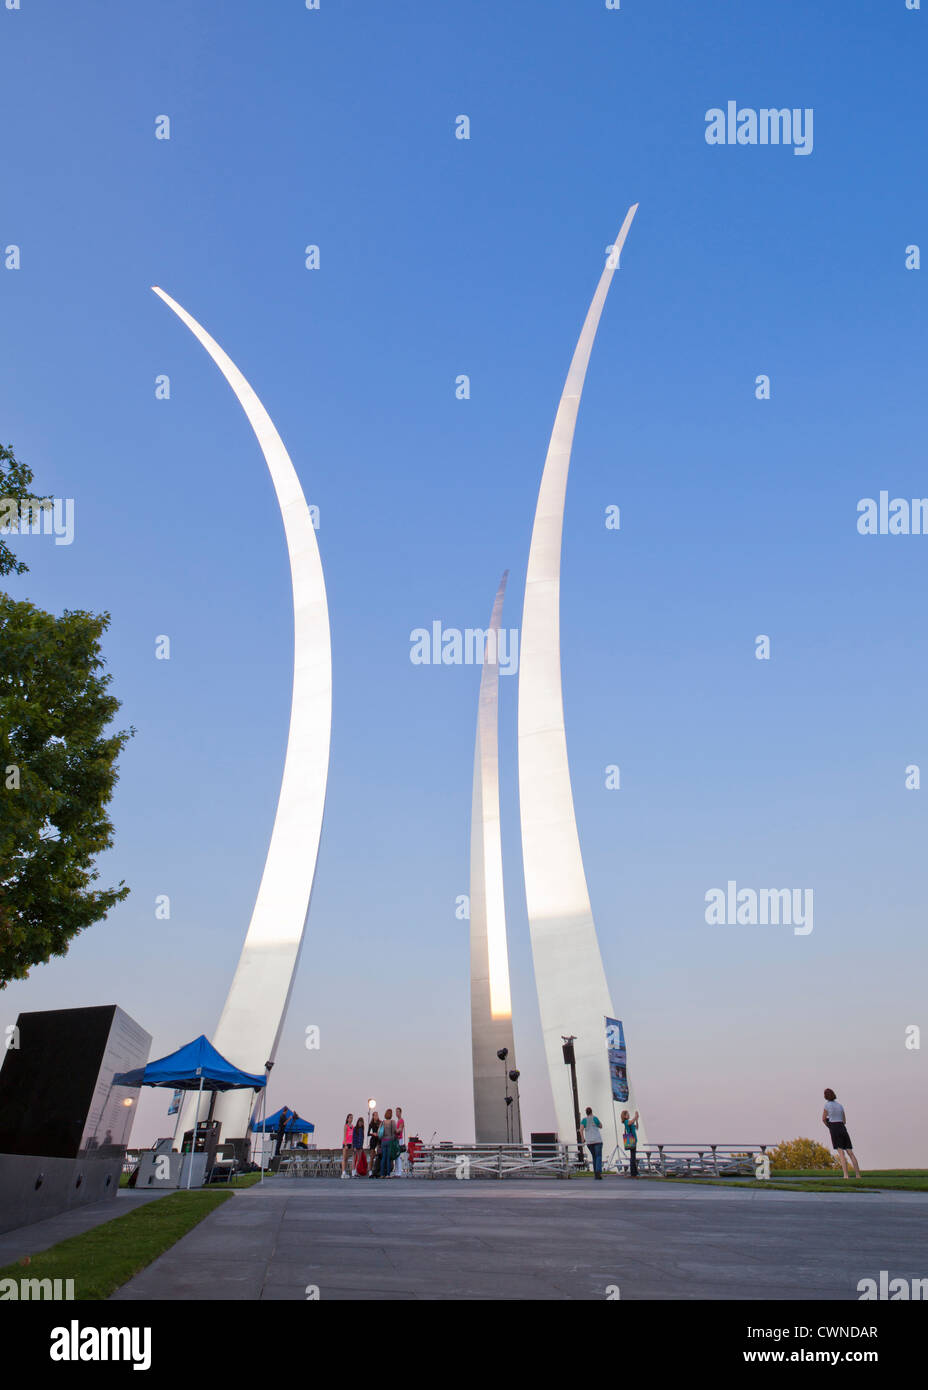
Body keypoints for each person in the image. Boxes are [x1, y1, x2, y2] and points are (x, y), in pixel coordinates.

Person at [822, 1088, 861, 1179]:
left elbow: (823, 1119)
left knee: (841, 1153)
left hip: (834, 1128)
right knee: (850, 1152)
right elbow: (844, 1120)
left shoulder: (826, 1105)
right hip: (842, 1127)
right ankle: (858, 1175)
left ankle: (846, 1175)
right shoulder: (840, 1105)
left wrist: (829, 1126)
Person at [580, 1107, 604, 1178]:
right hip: (597, 1140)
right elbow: (601, 1126)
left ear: (586, 1112)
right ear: (591, 1112)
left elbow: (581, 1129)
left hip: (589, 1141)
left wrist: (583, 1138)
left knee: (594, 1156)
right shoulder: (595, 1118)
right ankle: (598, 1172)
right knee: (598, 1156)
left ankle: (595, 1172)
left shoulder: (584, 1120)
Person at [621, 1109, 639, 1177]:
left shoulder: (630, 1121)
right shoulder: (626, 1121)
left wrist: (636, 1120)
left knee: (633, 1156)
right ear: (624, 1116)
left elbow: (636, 1127)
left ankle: (634, 1171)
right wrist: (635, 1116)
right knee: (633, 1157)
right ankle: (633, 1172)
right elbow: (630, 1123)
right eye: (627, 1114)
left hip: (634, 1140)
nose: (628, 1115)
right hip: (631, 1140)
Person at [380, 1108, 397, 1178]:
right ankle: (388, 1174)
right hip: (390, 1141)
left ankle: (381, 1174)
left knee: (383, 1157)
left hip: (383, 1141)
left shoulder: (382, 1122)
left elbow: (380, 1132)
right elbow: (394, 1131)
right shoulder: (392, 1122)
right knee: (388, 1158)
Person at [368, 1110, 381, 1178]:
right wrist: (373, 1133)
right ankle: (370, 1172)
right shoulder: (371, 1124)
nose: (376, 1116)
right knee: (372, 1157)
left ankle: (377, 1171)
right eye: (375, 1115)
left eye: (377, 1115)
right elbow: (368, 1133)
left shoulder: (380, 1123)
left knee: (379, 1156)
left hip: (379, 1140)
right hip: (373, 1140)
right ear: (373, 1116)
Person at [341, 1113, 354, 1179]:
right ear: (347, 1119)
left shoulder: (352, 1126)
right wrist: (345, 1145)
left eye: (352, 1118)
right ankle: (343, 1173)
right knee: (344, 1158)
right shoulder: (346, 1126)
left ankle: (345, 1172)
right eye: (350, 1118)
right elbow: (345, 1136)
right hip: (345, 1144)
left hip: (350, 1144)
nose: (351, 1119)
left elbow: (352, 1136)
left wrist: (352, 1144)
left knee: (347, 1159)